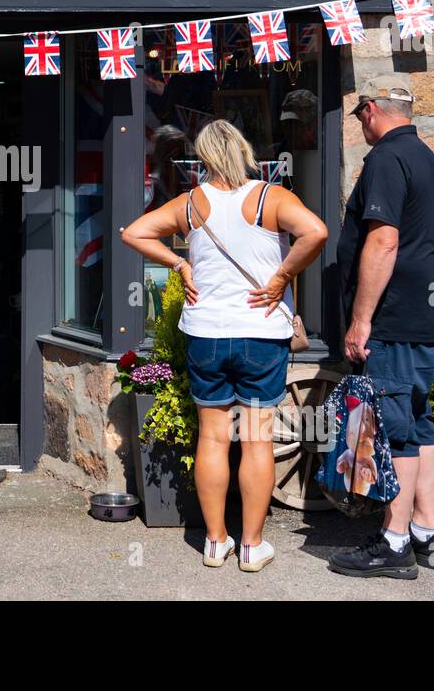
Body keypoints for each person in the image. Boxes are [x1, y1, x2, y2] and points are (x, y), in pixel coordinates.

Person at [122, 120, 328, 572]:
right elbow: (316, 232)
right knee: (255, 439)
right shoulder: (270, 197)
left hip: (207, 335)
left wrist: (179, 263)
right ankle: (251, 546)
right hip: (260, 335)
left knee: (212, 436)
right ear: (244, 151)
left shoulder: (191, 203)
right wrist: (280, 278)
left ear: (205, 158)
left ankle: (216, 542)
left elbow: (132, 233)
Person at [329, 72, 434, 580]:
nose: (359, 122)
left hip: (395, 316)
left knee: (393, 427)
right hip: (426, 312)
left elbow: (383, 242)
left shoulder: (385, 158)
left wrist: (360, 320)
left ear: (373, 109)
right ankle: (427, 532)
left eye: (360, 113)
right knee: (420, 419)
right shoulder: (426, 157)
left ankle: (395, 542)